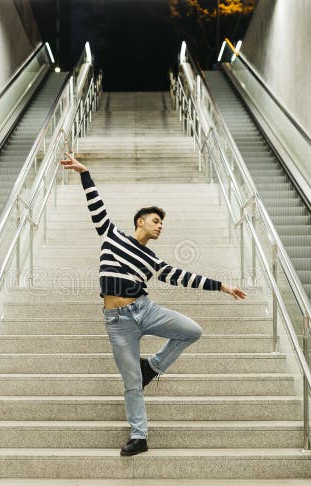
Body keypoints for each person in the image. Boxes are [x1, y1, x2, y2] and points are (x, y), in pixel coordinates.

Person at [60, 153, 247, 456]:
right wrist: (85, 173)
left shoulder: (153, 260)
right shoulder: (112, 235)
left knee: (192, 330)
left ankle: (154, 366)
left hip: (144, 310)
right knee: (132, 382)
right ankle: (139, 436)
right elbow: (96, 206)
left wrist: (223, 286)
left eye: (162, 223)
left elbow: (182, 276)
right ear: (140, 221)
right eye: (156, 221)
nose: (160, 227)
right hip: (117, 322)